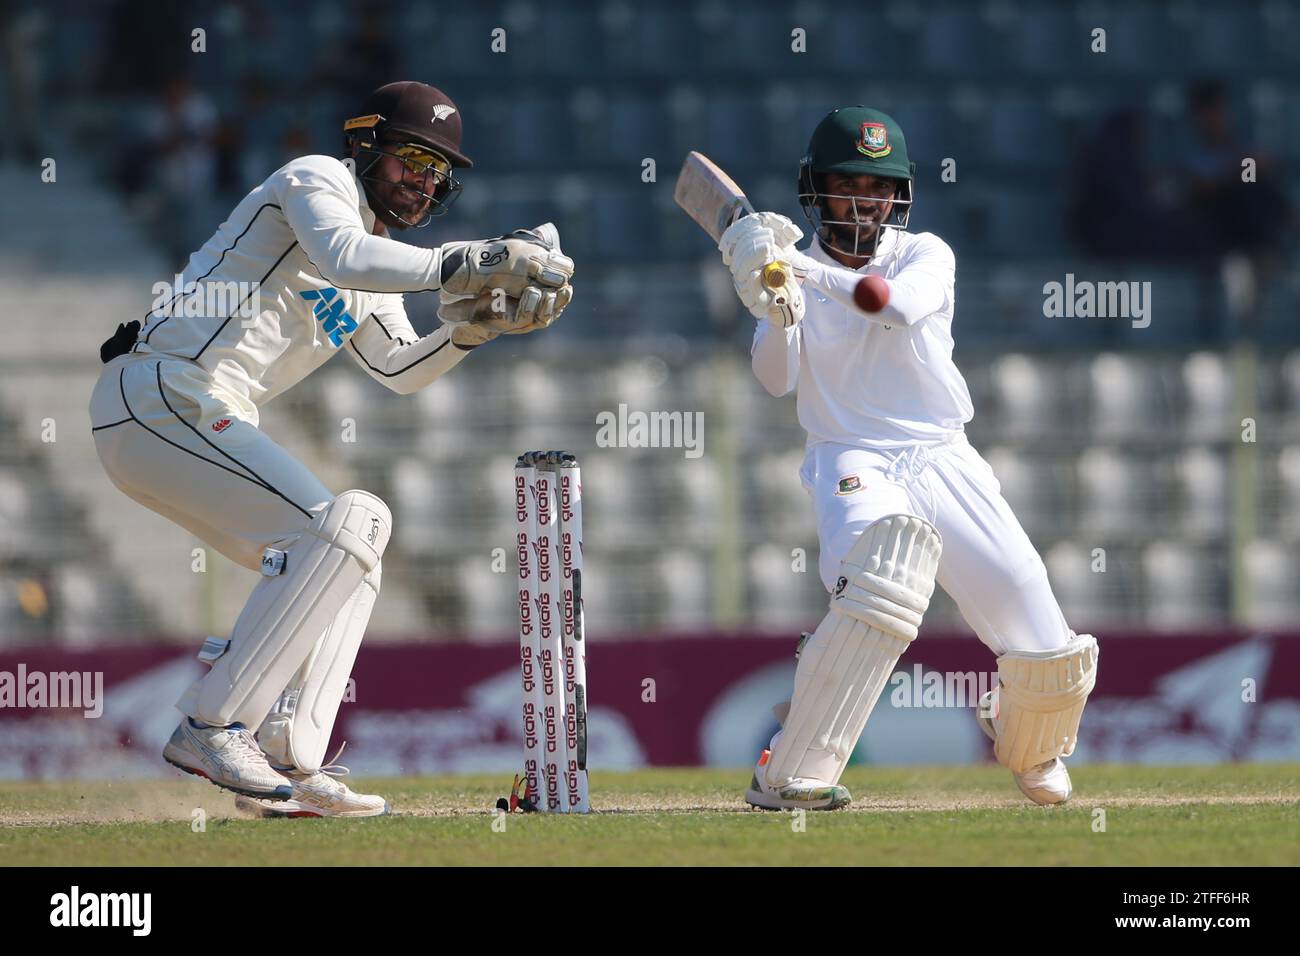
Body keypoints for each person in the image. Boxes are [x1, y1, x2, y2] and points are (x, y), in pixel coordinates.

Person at [89, 81, 574, 818]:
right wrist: (472, 260)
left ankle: (290, 758)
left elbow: (399, 369)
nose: (424, 180)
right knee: (337, 525)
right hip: (156, 392)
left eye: (438, 172)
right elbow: (345, 256)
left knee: (361, 532)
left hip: (191, 417)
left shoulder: (378, 262)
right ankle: (212, 723)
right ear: (368, 145)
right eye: (413, 159)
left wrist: (475, 330)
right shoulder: (314, 179)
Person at [719, 106, 1097, 810]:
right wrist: (775, 306)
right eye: (850, 183)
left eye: (881, 186)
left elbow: (885, 305)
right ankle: (792, 770)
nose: (867, 200)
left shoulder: (925, 253)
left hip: (943, 456)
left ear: (900, 195)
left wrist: (790, 264)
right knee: (877, 584)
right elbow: (776, 380)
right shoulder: (789, 275)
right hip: (851, 455)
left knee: (1048, 653)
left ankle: (1028, 739)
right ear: (817, 187)